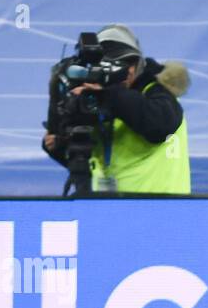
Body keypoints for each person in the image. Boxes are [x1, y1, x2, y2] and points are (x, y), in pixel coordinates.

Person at [42, 24, 191, 194]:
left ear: (138, 65)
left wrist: (108, 94)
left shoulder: (158, 94)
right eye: (114, 64)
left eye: (128, 63)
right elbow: (83, 153)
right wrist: (59, 140)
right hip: (106, 205)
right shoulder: (97, 100)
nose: (127, 71)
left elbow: (159, 125)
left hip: (160, 206)